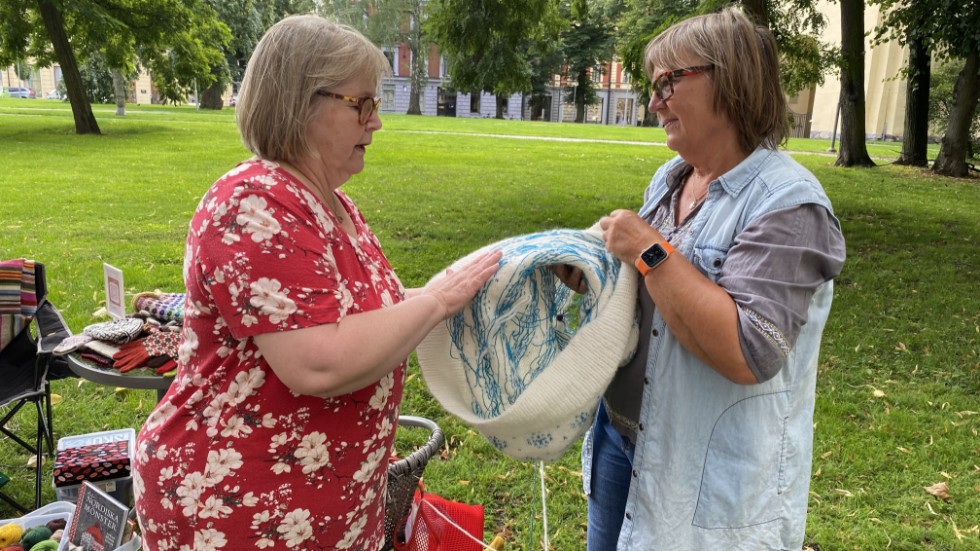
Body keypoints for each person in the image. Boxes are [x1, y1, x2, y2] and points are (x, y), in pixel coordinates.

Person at [132, 15, 500, 551]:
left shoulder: (328, 201)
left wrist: (458, 291)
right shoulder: (254, 202)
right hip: (239, 507)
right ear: (301, 102)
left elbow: (369, 312)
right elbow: (317, 361)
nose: (376, 123)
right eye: (363, 105)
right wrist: (439, 300)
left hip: (321, 503)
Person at [569, 8, 846, 550]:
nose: (655, 102)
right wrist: (596, 271)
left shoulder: (789, 205)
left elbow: (748, 352)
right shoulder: (672, 179)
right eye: (653, 86)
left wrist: (649, 250)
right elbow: (654, 296)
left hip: (701, 475)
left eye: (670, 81)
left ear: (734, 78)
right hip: (621, 437)